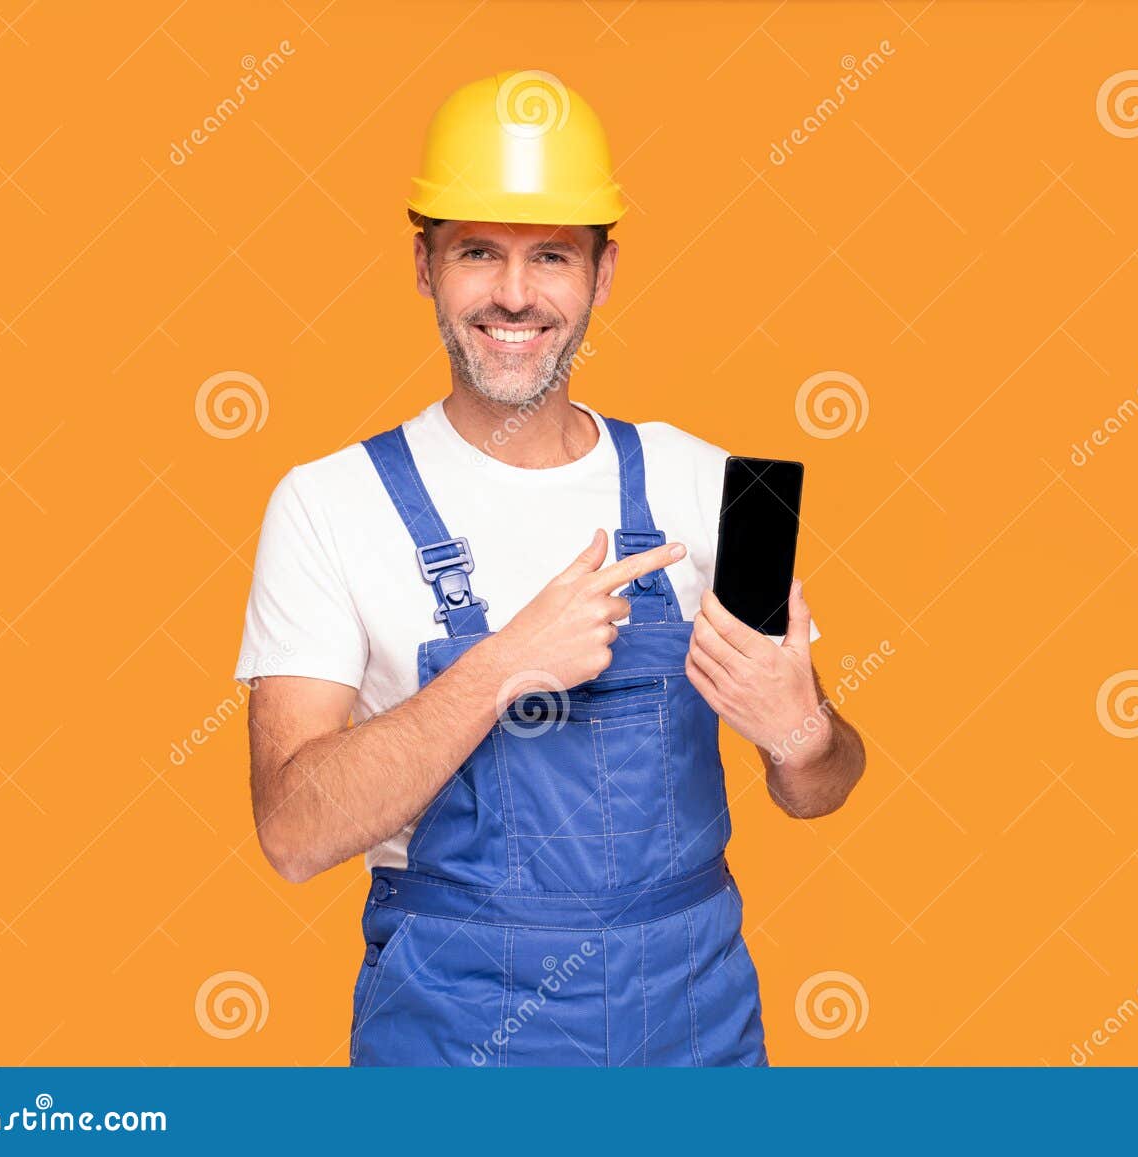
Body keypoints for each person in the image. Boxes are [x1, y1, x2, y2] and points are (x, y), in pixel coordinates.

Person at [235, 70, 866, 1066]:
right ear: (424, 263)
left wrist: (801, 729)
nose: (515, 294)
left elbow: (821, 784)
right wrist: (503, 664)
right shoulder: (325, 505)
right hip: (454, 1037)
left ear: (603, 275)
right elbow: (293, 832)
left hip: (694, 1030)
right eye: (478, 251)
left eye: (554, 257)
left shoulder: (717, 486)